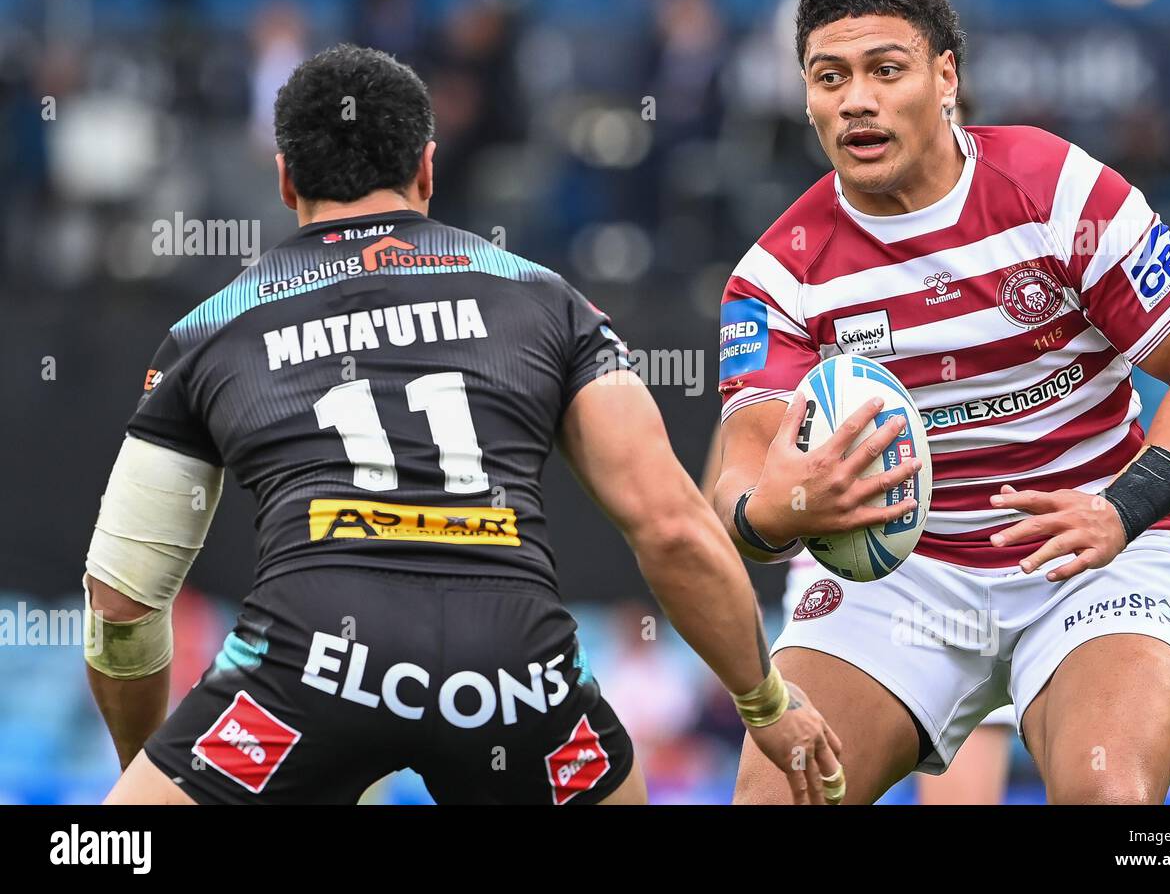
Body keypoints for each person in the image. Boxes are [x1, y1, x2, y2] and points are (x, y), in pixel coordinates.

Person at [82, 44, 842, 805]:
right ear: (427, 168)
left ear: (285, 179)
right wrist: (765, 704)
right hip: (516, 675)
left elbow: (122, 602)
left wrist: (146, 765)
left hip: (309, 664)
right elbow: (672, 528)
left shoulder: (209, 330)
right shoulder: (547, 300)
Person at [712, 0, 1170, 805]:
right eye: (829, 77)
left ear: (945, 77)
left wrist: (1123, 509)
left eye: (884, 70)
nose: (855, 98)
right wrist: (782, 511)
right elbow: (739, 490)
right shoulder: (777, 279)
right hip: (896, 581)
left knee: (1109, 798)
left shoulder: (1060, 195)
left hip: (1088, 557)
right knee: (775, 801)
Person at [702, 428, 1014, 804]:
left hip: (980, 543)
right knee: (792, 786)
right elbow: (732, 476)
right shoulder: (774, 383)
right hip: (835, 572)